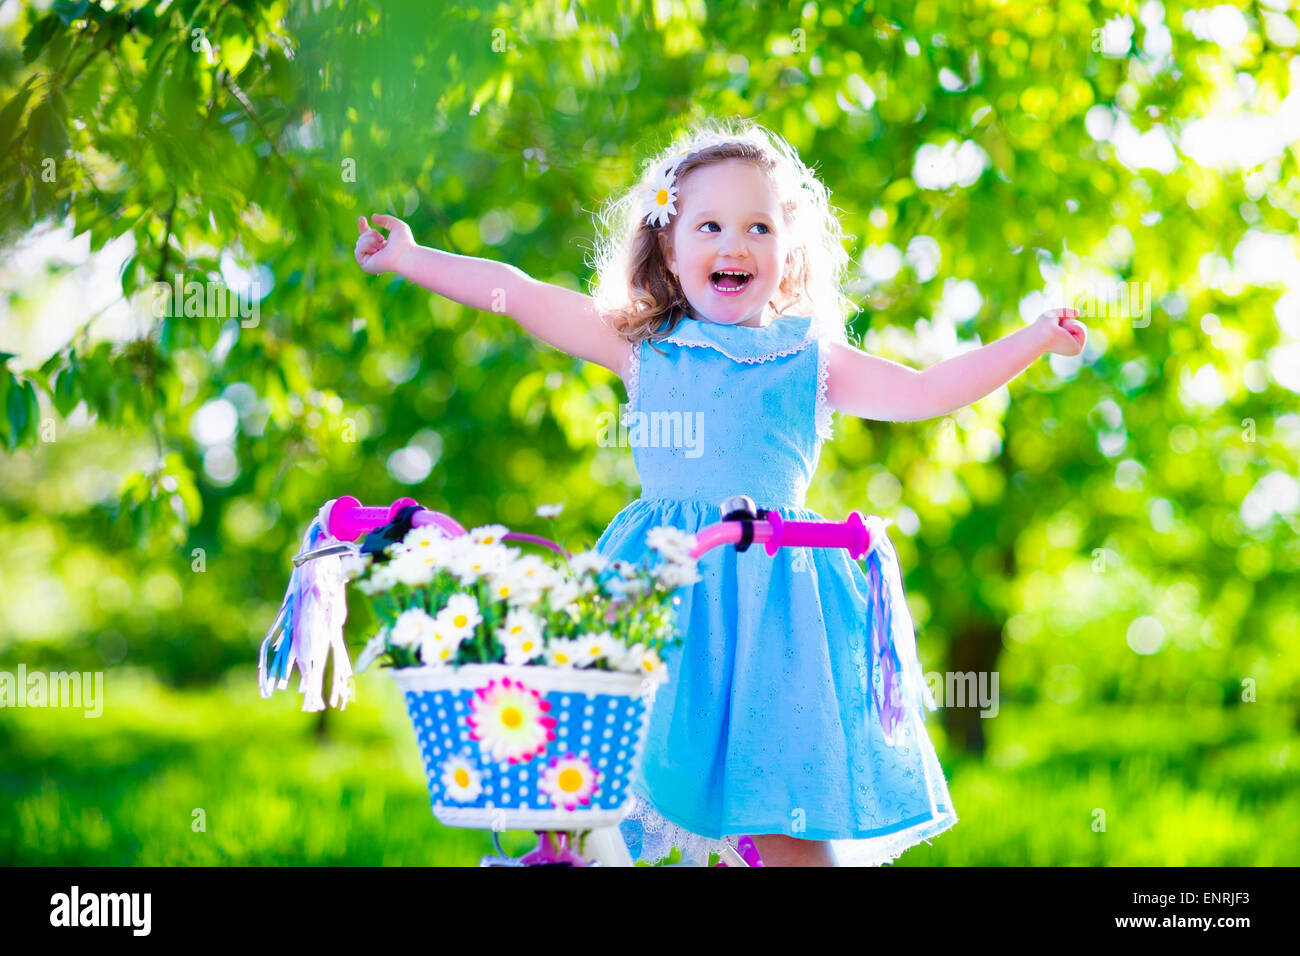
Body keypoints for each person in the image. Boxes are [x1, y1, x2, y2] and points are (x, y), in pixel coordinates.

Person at [353, 117, 1087, 867]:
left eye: (759, 227)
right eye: (709, 225)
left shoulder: (810, 362)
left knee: (790, 823)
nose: (735, 245)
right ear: (669, 248)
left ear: (788, 250)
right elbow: (520, 292)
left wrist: (1032, 338)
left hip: (781, 610)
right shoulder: (643, 346)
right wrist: (412, 259)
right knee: (599, 802)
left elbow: (929, 390)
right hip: (662, 592)